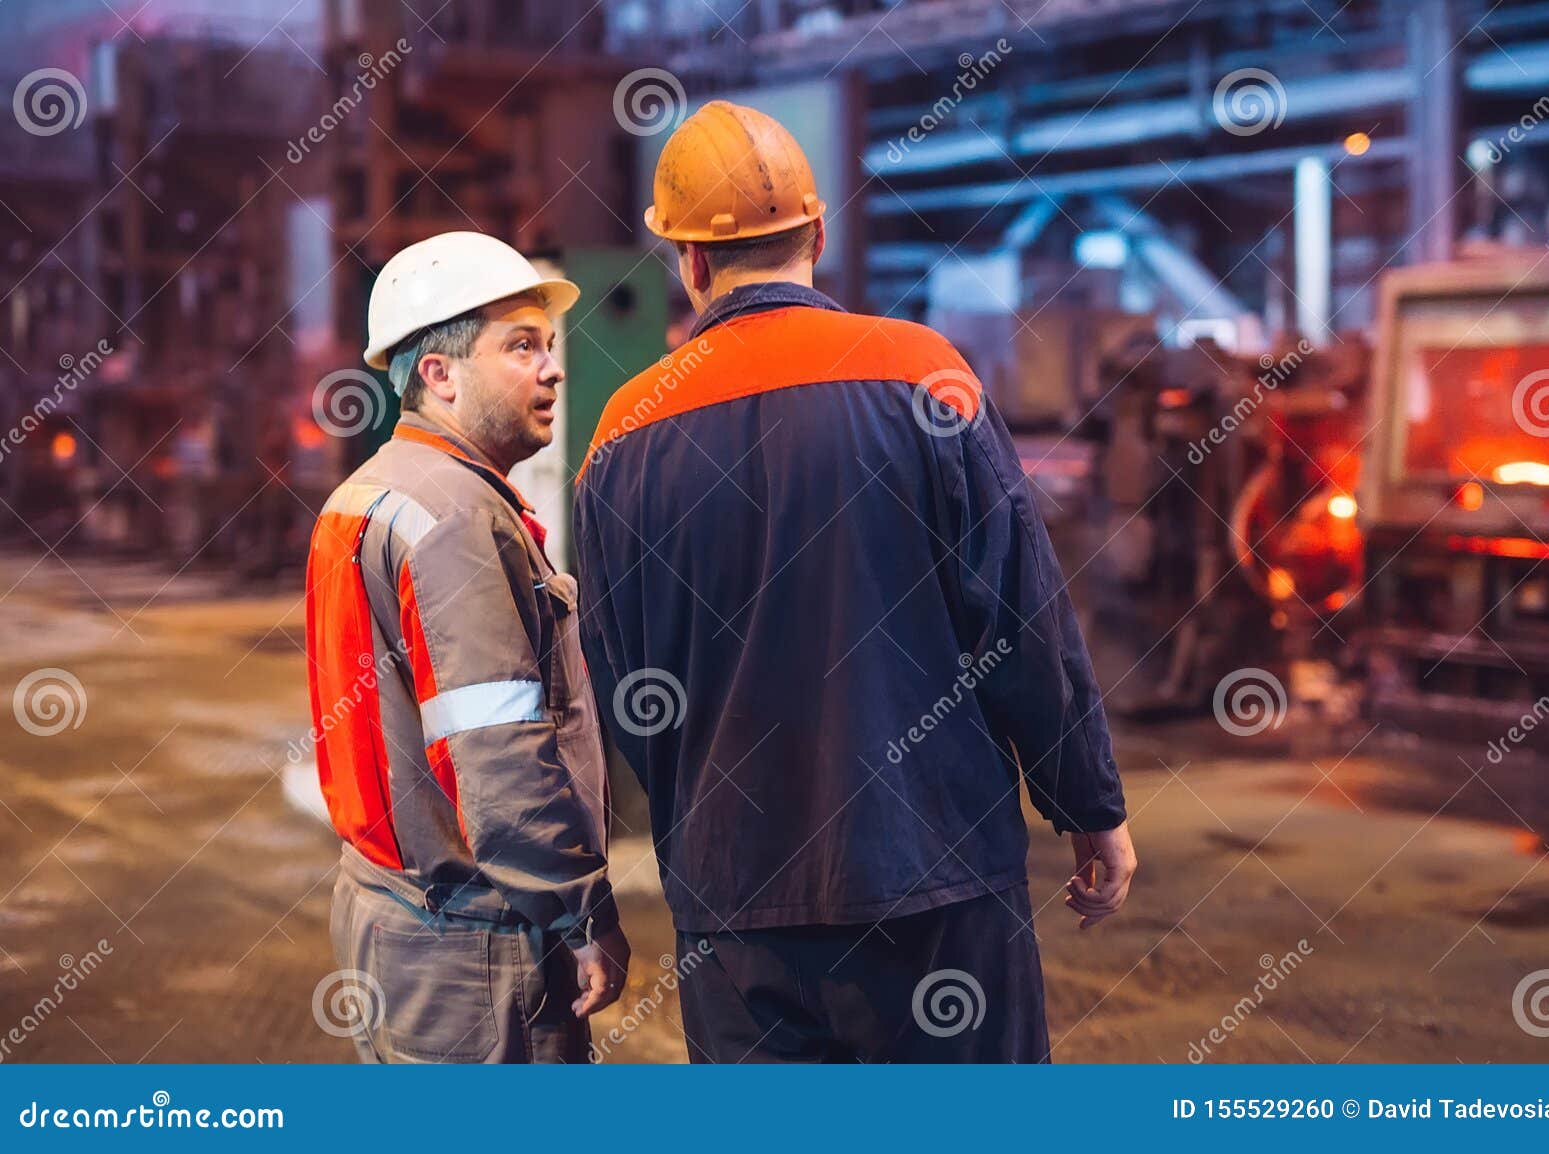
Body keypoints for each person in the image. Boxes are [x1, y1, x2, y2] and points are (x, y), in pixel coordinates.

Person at [573, 102, 1135, 1064]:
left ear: (690, 263)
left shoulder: (624, 434)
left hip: (739, 903)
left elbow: (617, 690)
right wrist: (1088, 804)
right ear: (820, 234)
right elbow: (1020, 616)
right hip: (935, 878)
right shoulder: (920, 373)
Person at [306, 231, 628, 1063]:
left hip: (394, 916)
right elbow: (496, 750)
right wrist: (576, 911)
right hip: (474, 948)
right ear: (438, 374)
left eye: (549, 346)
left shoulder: (370, 491)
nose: (554, 368)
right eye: (521, 346)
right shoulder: (454, 515)